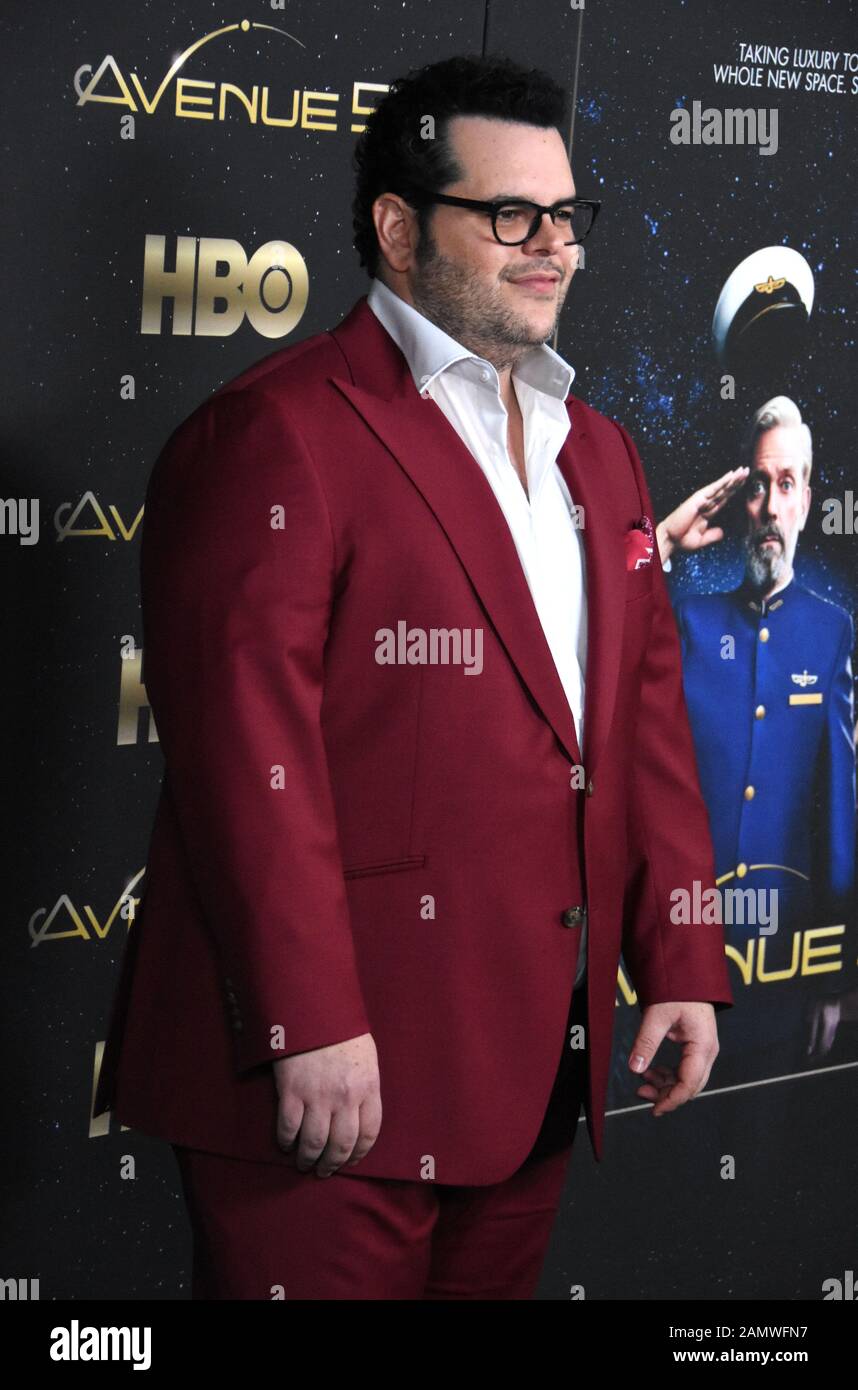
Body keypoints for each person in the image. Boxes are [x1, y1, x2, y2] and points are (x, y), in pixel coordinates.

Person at [94, 53, 732, 1301]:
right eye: (508, 215)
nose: (550, 245)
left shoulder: (599, 454)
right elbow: (241, 762)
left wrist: (687, 957)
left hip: (531, 1067)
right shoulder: (274, 433)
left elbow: (643, 731)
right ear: (397, 227)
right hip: (329, 1083)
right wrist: (308, 1021)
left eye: (564, 216)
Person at [672, 397, 856, 1085]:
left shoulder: (831, 630)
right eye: (758, 484)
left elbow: (836, 814)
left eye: (787, 484)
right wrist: (659, 547)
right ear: (742, 500)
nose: (772, 505)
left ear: (806, 501)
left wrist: (833, 977)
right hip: (686, 963)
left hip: (786, 964)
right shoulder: (688, 621)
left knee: (763, 1154)